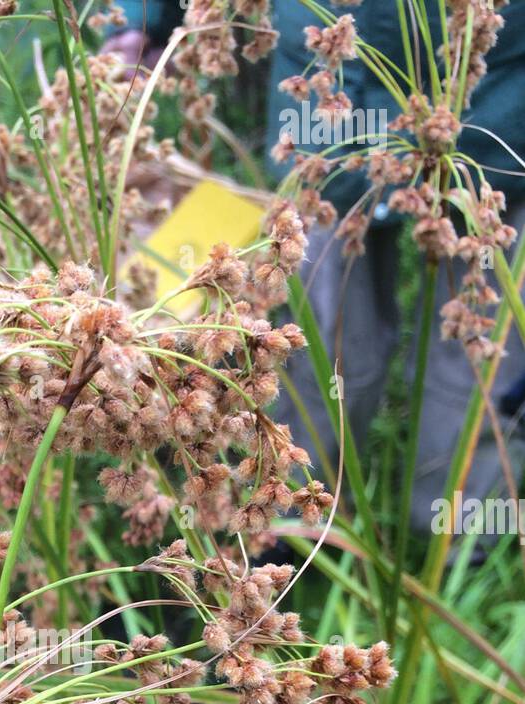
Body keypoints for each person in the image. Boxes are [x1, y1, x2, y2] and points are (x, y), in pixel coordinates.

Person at [106, 1, 525, 531]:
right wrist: (142, 19)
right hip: (326, 118)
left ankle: (461, 538)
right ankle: (294, 529)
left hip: (492, 118)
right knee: (322, 347)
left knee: (479, 354)